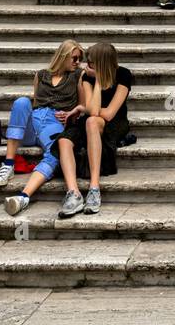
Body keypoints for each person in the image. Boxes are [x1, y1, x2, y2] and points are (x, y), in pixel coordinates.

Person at [0, 40, 87, 214]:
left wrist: (72, 112)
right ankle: (8, 164)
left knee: (55, 153)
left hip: (55, 123)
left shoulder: (78, 75)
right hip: (34, 120)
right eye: (74, 58)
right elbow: (36, 102)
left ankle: (23, 197)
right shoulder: (41, 75)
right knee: (22, 102)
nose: (77, 62)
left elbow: (84, 105)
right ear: (63, 56)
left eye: (80, 58)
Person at [53, 41, 133, 217]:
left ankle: (94, 188)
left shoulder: (123, 75)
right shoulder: (87, 77)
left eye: (90, 62)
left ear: (102, 62)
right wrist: (96, 82)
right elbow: (92, 109)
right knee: (64, 140)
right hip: (91, 120)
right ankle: (73, 193)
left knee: (91, 122)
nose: (86, 65)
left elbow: (109, 113)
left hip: (115, 123)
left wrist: (97, 86)